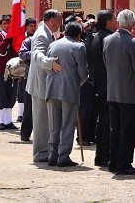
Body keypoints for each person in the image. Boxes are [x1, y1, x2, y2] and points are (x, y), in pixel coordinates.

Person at [103, 9, 135, 176]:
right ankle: (124, 164)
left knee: (115, 129)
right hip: (128, 92)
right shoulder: (133, 43)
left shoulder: (108, 40)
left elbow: (106, 63)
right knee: (127, 130)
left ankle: (113, 162)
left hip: (112, 91)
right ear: (132, 23)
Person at [45, 21, 88, 167]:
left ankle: (52, 155)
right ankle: (63, 156)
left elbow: (48, 66)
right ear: (78, 34)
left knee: (54, 125)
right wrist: (77, 83)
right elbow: (83, 72)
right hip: (69, 89)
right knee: (67, 124)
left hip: (52, 88)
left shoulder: (53, 45)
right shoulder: (78, 46)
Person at [25, 9, 63, 164]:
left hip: (43, 83)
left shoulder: (46, 32)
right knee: (41, 121)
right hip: (40, 83)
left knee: (46, 120)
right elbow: (37, 54)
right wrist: (49, 63)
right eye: (59, 21)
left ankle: (46, 151)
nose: (61, 24)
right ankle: (41, 153)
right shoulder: (42, 34)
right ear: (52, 20)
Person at [88, 9, 115, 167]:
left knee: (102, 122)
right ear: (108, 21)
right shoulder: (107, 38)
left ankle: (101, 156)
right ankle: (104, 156)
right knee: (106, 123)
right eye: (114, 19)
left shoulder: (97, 36)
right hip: (107, 85)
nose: (116, 21)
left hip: (99, 85)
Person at [0, 15, 19, 131]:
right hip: (1, 70)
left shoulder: (14, 36)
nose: (7, 26)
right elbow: (1, 48)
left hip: (13, 70)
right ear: (1, 25)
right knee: (1, 94)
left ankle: (8, 121)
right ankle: (1, 121)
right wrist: (9, 38)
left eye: (9, 23)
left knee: (11, 94)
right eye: (4, 24)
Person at [18, 18, 38, 142]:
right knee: (29, 108)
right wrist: (35, 54)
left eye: (34, 26)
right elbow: (22, 54)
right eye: (31, 26)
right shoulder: (27, 41)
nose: (33, 28)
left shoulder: (40, 40)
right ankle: (25, 134)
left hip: (40, 77)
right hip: (29, 77)